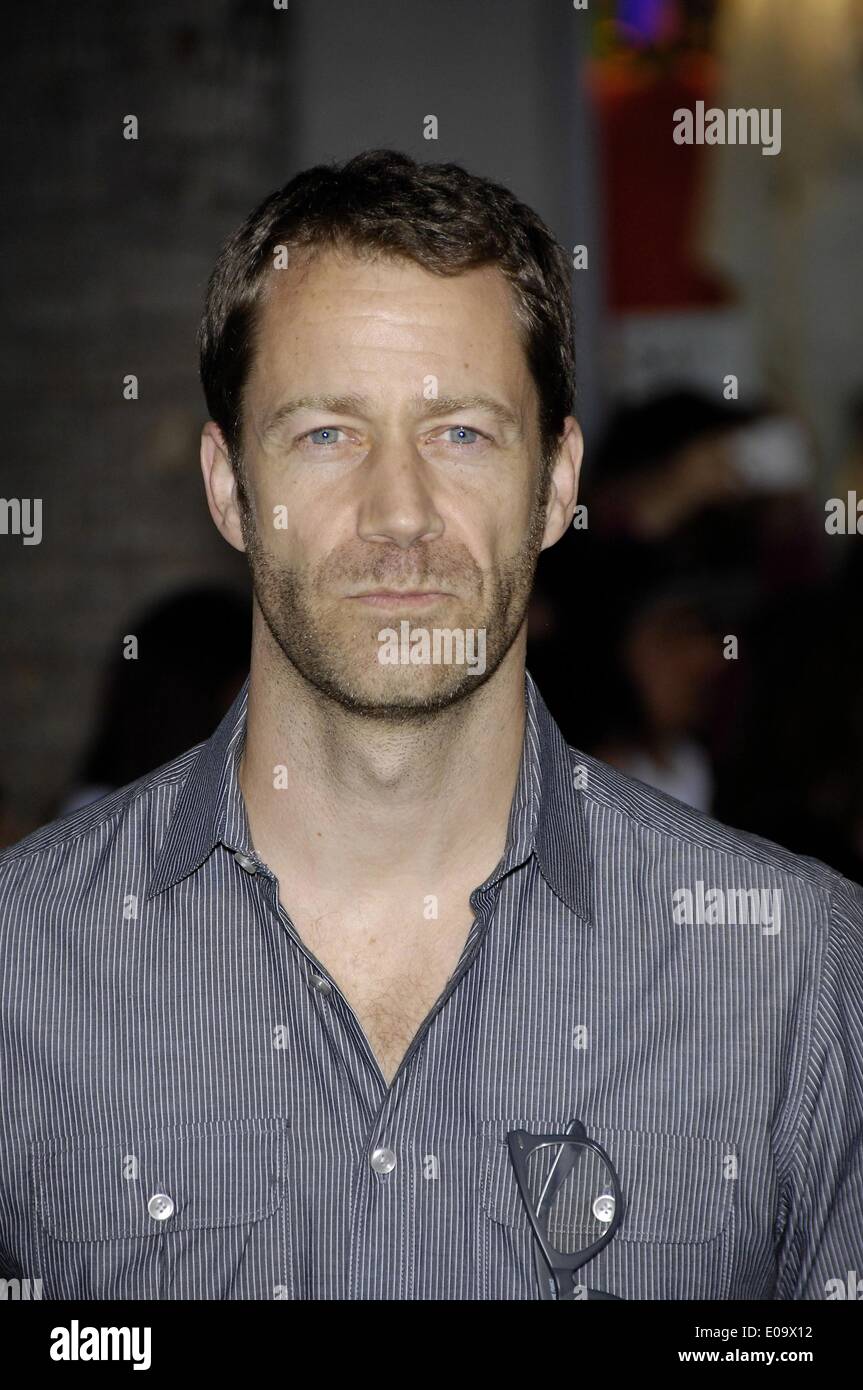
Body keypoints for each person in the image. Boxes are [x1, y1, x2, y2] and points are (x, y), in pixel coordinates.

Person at [0, 150, 860, 1302]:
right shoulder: (26, 974)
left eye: (460, 432)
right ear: (226, 487)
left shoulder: (795, 969)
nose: (398, 514)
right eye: (325, 434)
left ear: (556, 483)